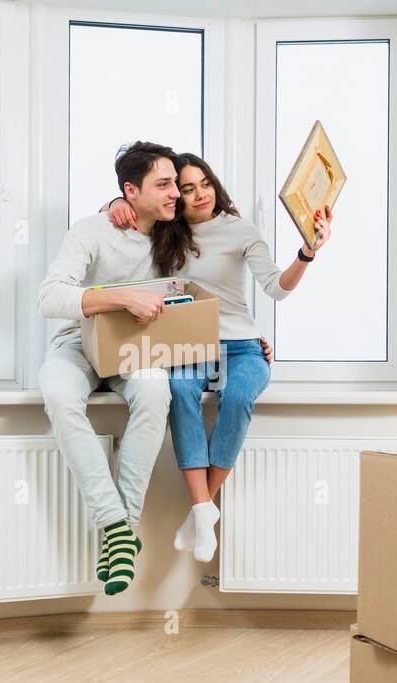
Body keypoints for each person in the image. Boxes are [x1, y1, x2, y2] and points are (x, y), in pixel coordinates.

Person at [106, 153, 332, 561]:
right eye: (187, 188)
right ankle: (202, 509)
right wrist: (113, 204)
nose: (199, 194)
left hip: (243, 346)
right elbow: (129, 208)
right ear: (177, 194)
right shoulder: (164, 232)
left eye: (205, 183)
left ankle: (199, 512)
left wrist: (307, 252)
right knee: (178, 389)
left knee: (240, 396)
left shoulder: (240, 230)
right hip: (189, 345)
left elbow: (277, 287)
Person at [37, 141, 182, 596]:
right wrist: (120, 296)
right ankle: (114, 524)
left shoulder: (173, 235)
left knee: (157, 392)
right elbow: (49, 298)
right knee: (60, 396)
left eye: (175, 182)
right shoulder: (91, 230)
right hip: (77, 344)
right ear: (129, 191)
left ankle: (123, 528)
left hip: (135, 351)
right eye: (163, 184)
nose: (175, 192)